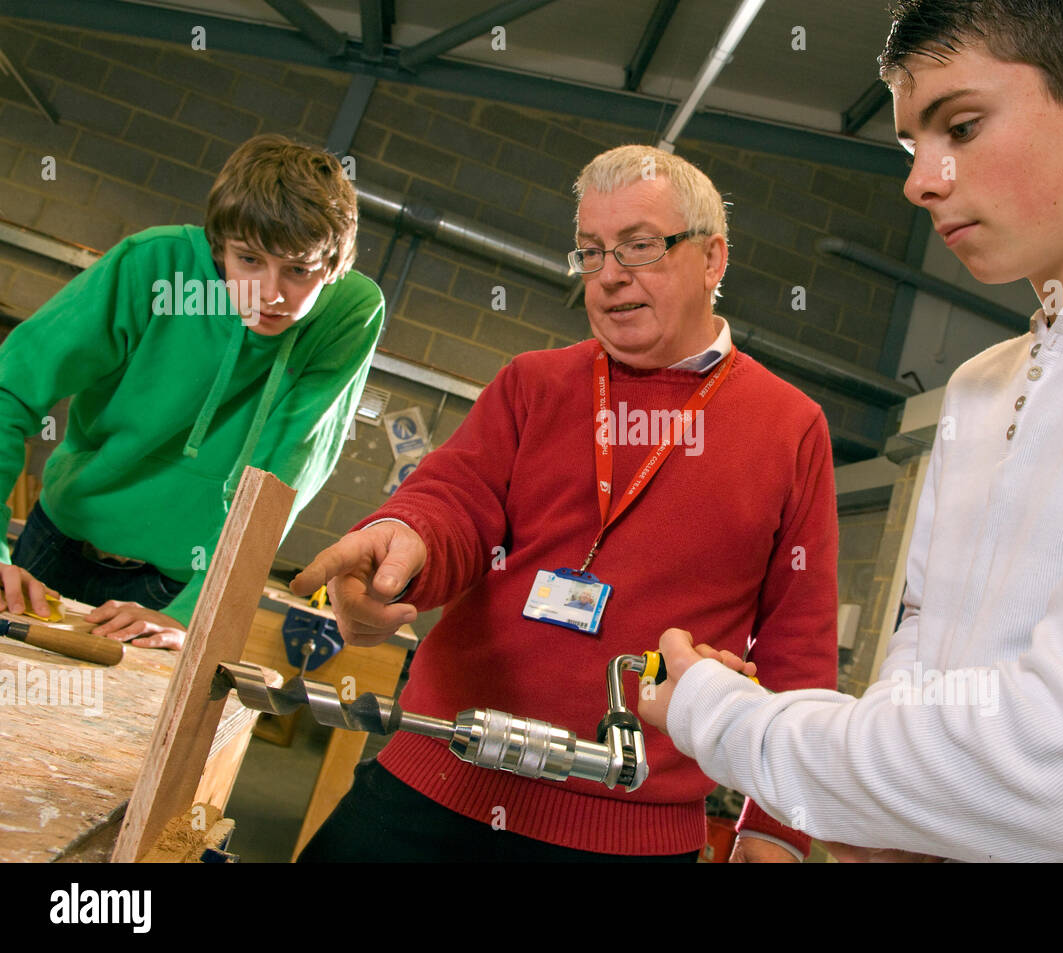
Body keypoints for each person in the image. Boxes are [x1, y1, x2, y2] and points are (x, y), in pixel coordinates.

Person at [642, 0, 1063, 863]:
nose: (920, 181)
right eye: (913, 147)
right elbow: (914, 683)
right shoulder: (980, 385)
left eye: (961, 124)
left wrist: (717, 713)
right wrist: (877, 810)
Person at [291, 144, 840, 862]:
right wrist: (402, 541)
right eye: (591, 252)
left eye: (640, 247)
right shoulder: (534, 384)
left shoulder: (791, 427)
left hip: (626, 836)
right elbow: (456, 500)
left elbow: (798, 645)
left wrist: (776, 828)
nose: (609, 276)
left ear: (713, 260)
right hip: (436, 782)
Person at [0, 134, 384, 648]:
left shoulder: (348, 314)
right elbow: (11, 390)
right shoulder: (151, 264)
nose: (269, 294)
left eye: (297, 270)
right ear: (218, 244)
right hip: (56, 543)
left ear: (335, 267)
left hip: (174, 584)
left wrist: (193, 609)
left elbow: (287, 478)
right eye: (248, 260)